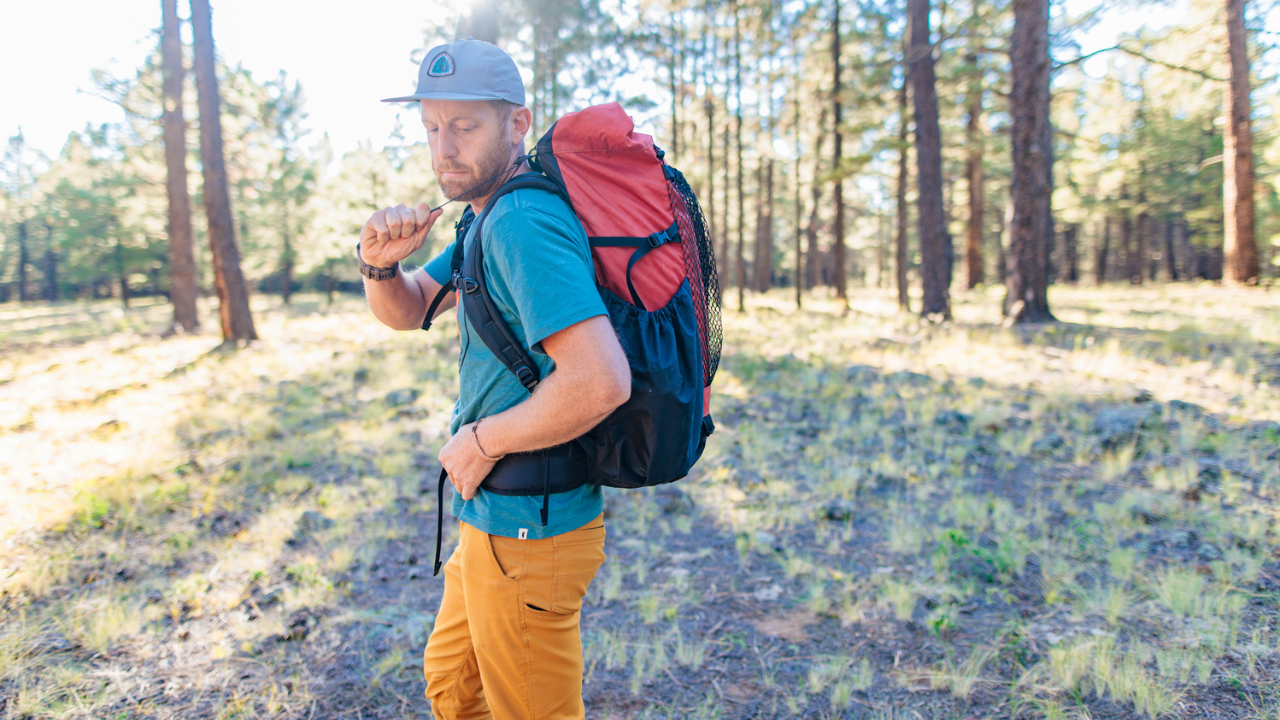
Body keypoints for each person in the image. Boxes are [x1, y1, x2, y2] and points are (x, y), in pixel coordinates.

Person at [356, 39, 630, 720]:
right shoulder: (486, 217)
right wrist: (379, 265)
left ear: (517, 124)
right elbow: (412, 304)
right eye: (431, 128)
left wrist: (479, 441)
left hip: (530, 530)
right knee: (455, 686)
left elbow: (600, 381)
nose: (443, 147)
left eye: (465, 125)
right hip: (494, 521)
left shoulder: (521, 223)